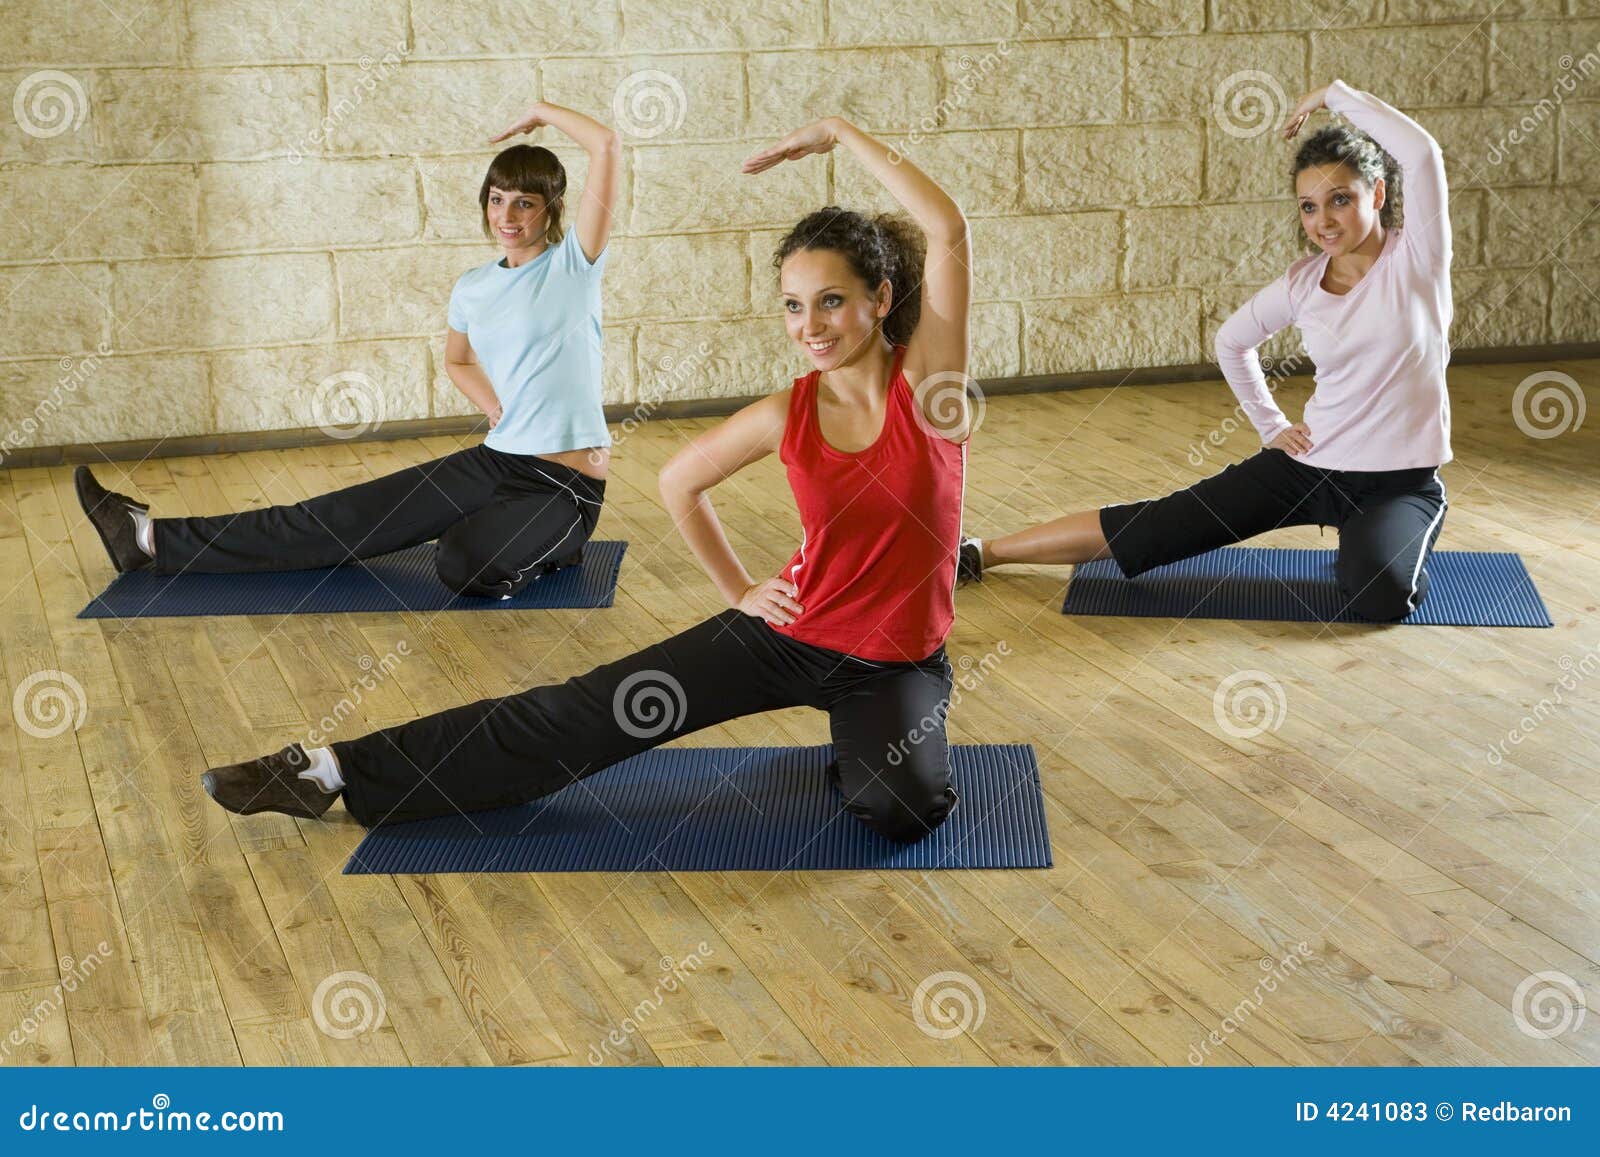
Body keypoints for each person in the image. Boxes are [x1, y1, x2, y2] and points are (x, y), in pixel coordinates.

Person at [201, 115, 976, 845]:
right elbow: (679, 482)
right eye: (793, 306)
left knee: (902, 809)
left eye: (832, 301)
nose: (810, 325)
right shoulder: (785, 411)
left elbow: (947, 229)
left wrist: (839, 132)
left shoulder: (932, 391)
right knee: (588, 711)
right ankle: (334, 768)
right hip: (791, 632)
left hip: (896, 663)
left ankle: (862, 752)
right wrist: (740, 591)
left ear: (880, 300)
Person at [75, 101, 621, 600]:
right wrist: (493, 406)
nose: (507, 216)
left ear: (550, 211)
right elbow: (458, 360)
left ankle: (551, 546)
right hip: (498, 458)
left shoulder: (574, 266)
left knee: (464, 566)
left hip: (566, 487)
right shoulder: (473, 286)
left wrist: (539, 111)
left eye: (524, 204)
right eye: (497, 201)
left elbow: (606, 145)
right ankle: (147, 538)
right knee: (337, 516)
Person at [962, 80, 1451, 623]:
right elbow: (1232, 342)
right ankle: (985, 551)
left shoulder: (1419, 257)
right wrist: (1271, 426)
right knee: (1159, 526)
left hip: (1397, 485)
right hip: (1309, 465)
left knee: (1376, 596)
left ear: (1377, 194)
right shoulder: (1301, 284)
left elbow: (1422, 152)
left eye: (1341, 199)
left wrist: (1335, 95)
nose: (1324, 221)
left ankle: (1384, 542)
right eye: (1309, 207)